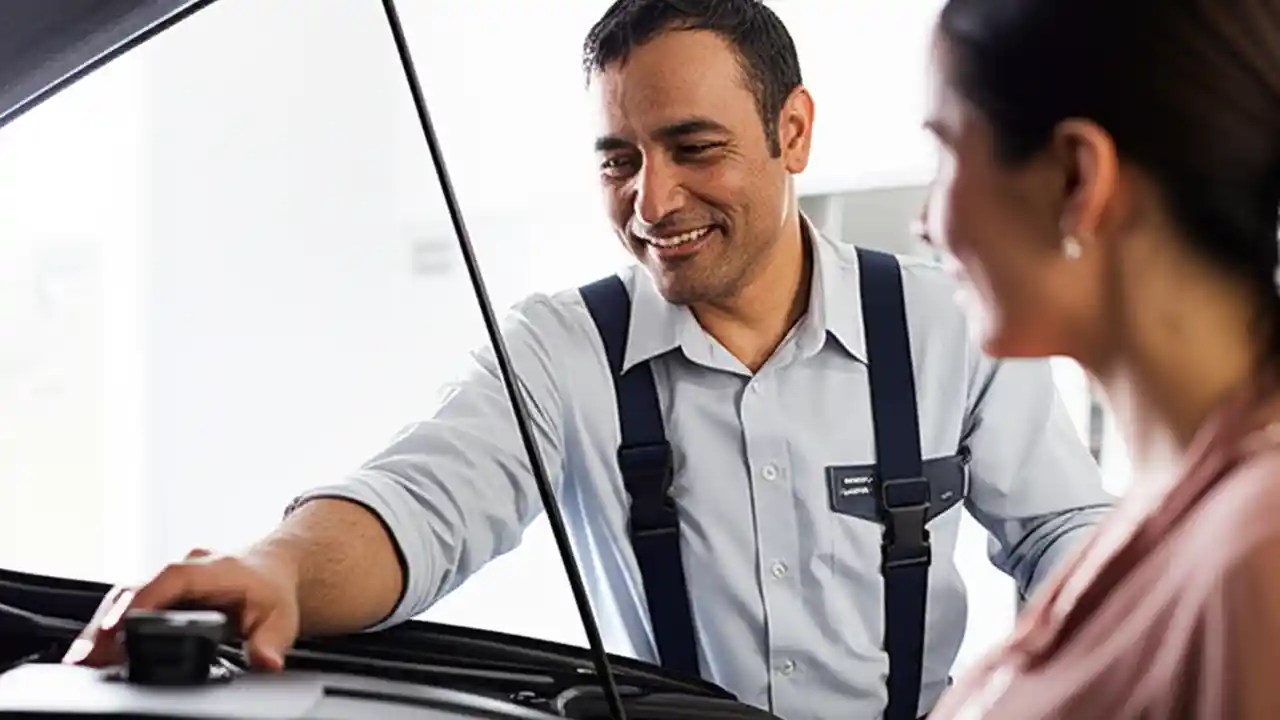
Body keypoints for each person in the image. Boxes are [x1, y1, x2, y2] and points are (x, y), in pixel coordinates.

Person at [64, 1, 1113, 717]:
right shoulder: (562, 347)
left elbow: (1068, 539)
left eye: (694, 149)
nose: (651, 204)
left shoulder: (950, 326)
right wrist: (275, 569)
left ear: (791, 132)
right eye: (619, 159)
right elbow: (419, 503)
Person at [913, 0, 1280, 717]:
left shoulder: (1259, 554)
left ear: (1077, 179)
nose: (926, 222)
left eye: (949, 152)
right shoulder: (1170, 499)